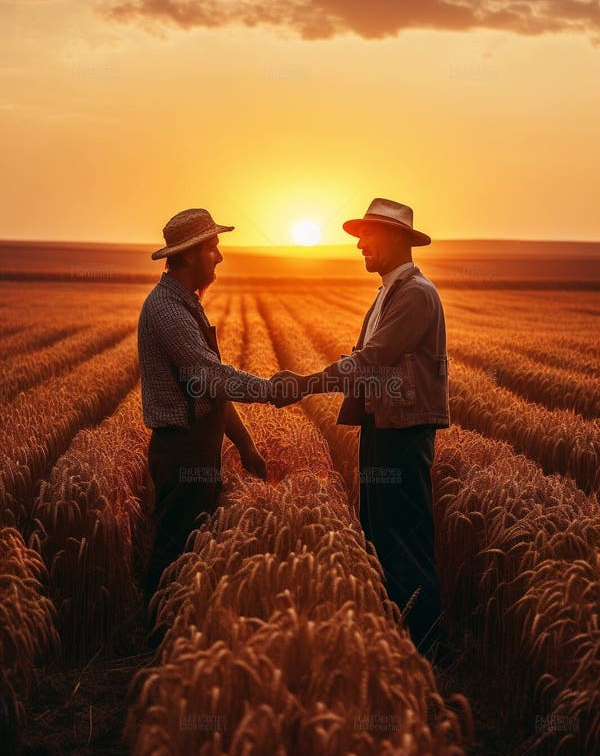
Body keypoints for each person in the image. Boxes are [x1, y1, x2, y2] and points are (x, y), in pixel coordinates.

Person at [274, 198, 451, 663]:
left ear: (394, 237)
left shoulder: (414, 294)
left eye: (366, 235)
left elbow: (370, 360)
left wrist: (306, 384)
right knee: (380, 529)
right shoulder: (391, 291)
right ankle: (401, 644)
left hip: (403, 431)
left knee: (403, 534)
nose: (359, 245)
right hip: (385, 425)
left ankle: (428, 651)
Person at [138, 207, 278, 634]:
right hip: (182, 451)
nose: (219, 257)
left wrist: (245, 443)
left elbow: (208, 390)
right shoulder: (167, 310)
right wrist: (273, 390)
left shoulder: (186, 304)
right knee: (175, 550)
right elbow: (211, 375)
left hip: (197, 447)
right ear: (189, 255)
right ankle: (160, 643)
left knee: (192, 548)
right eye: (213, 248)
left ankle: (180, 636)